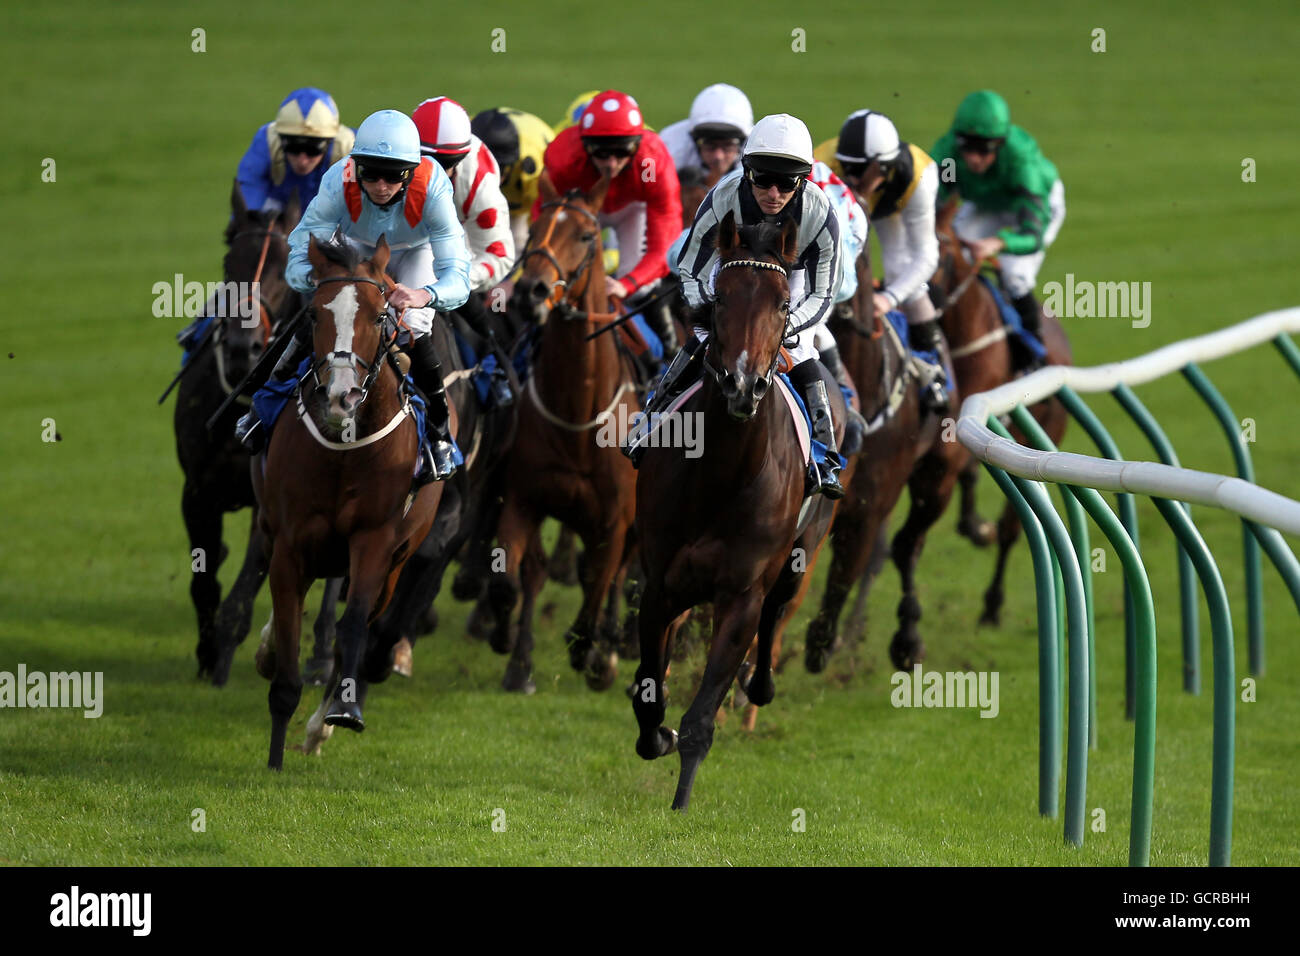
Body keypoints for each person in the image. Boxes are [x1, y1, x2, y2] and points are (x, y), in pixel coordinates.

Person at [235, 109, 471, 484]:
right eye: (371, 173)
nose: (380, 185)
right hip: (355, 247)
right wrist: (323, 282)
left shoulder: (435, 187)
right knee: (328, 309)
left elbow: (458, 277)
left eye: (393, 175)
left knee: (413, 323)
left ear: (412, 171)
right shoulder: (338, 179)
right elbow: (298, 251)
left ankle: (440, 435)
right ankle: (262, 410)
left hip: (415, 251)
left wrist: (423, 294)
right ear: (355, 167)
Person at [645, 113, 846, 499]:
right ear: (746, 170)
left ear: (803, 179)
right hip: (734, 269)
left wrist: (783, 328)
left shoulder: (820, 214)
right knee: (704, 338)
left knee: (801, 351)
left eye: (786, 182)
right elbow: (689, 267)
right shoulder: (724, 195)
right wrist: (713, 314)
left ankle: (825, 456)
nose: (773, 192)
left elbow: (823, 295)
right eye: (762, 178)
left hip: (792, 275)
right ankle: (652, 422)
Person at [817, 108, 950, 410]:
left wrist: (888, 299)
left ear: (884, 166)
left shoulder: (919, 176)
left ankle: (932, 368)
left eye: (858, 170)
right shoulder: (825, 163)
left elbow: (926, 255)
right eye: (845, 167)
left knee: (900, 266)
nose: (849, 177)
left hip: (892, 207)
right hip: (841, 209)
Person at [930, 90, 1064, 358]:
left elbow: (1032, 235)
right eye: (967, 148)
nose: (973, 159)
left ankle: (1034, 353)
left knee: (1015, 275)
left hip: (1032, 210)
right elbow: (935, 206)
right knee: (949, 258)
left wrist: (998, 243)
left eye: (984, 150)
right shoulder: (947, 155)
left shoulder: (1021, 160)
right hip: (985, 204)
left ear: (1000, 144)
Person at [534, 89, 682, 306]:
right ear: (585, 146)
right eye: (602, 153)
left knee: (642, 288)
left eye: (621, 152)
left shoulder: (652, 161)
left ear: (636, 146)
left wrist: (627, 284)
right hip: (581, 211)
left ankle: (666, 336)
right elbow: (543, 214)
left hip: (631, 209)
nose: (611, 163)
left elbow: (663, 246)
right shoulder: (563, 157)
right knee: (557, 276)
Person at [414, 96, 516, 406]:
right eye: (422, 159)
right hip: (401, 234)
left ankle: (491, 371)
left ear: (461, 158)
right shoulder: (390, 159)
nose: (433, 172)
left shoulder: (478, 182)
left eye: (444, 164)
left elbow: (499, 256)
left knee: (470, 311)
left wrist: (450, 282)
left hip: (461, 241)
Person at [236, 87, 354, 215]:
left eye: (313, 149)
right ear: (281, 139)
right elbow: (249, 196)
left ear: (329, 142)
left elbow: (357, 205)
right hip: (279, 208)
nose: (302, 161)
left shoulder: (348, 151)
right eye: (293, 148)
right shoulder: (266, 142)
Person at [470, 107, 554, 257]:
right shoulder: (467, 135)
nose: (489, 176)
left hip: (526, 195)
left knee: (519, 243)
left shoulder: (536, 171)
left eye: (497, 169)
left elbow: (541, 228)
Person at [657, 83, 753, 180]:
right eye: (710, 145)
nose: (718, 156)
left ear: (742, 144)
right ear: (695, 141)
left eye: (727, 146)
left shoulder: (757, 161)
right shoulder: (671, 149)